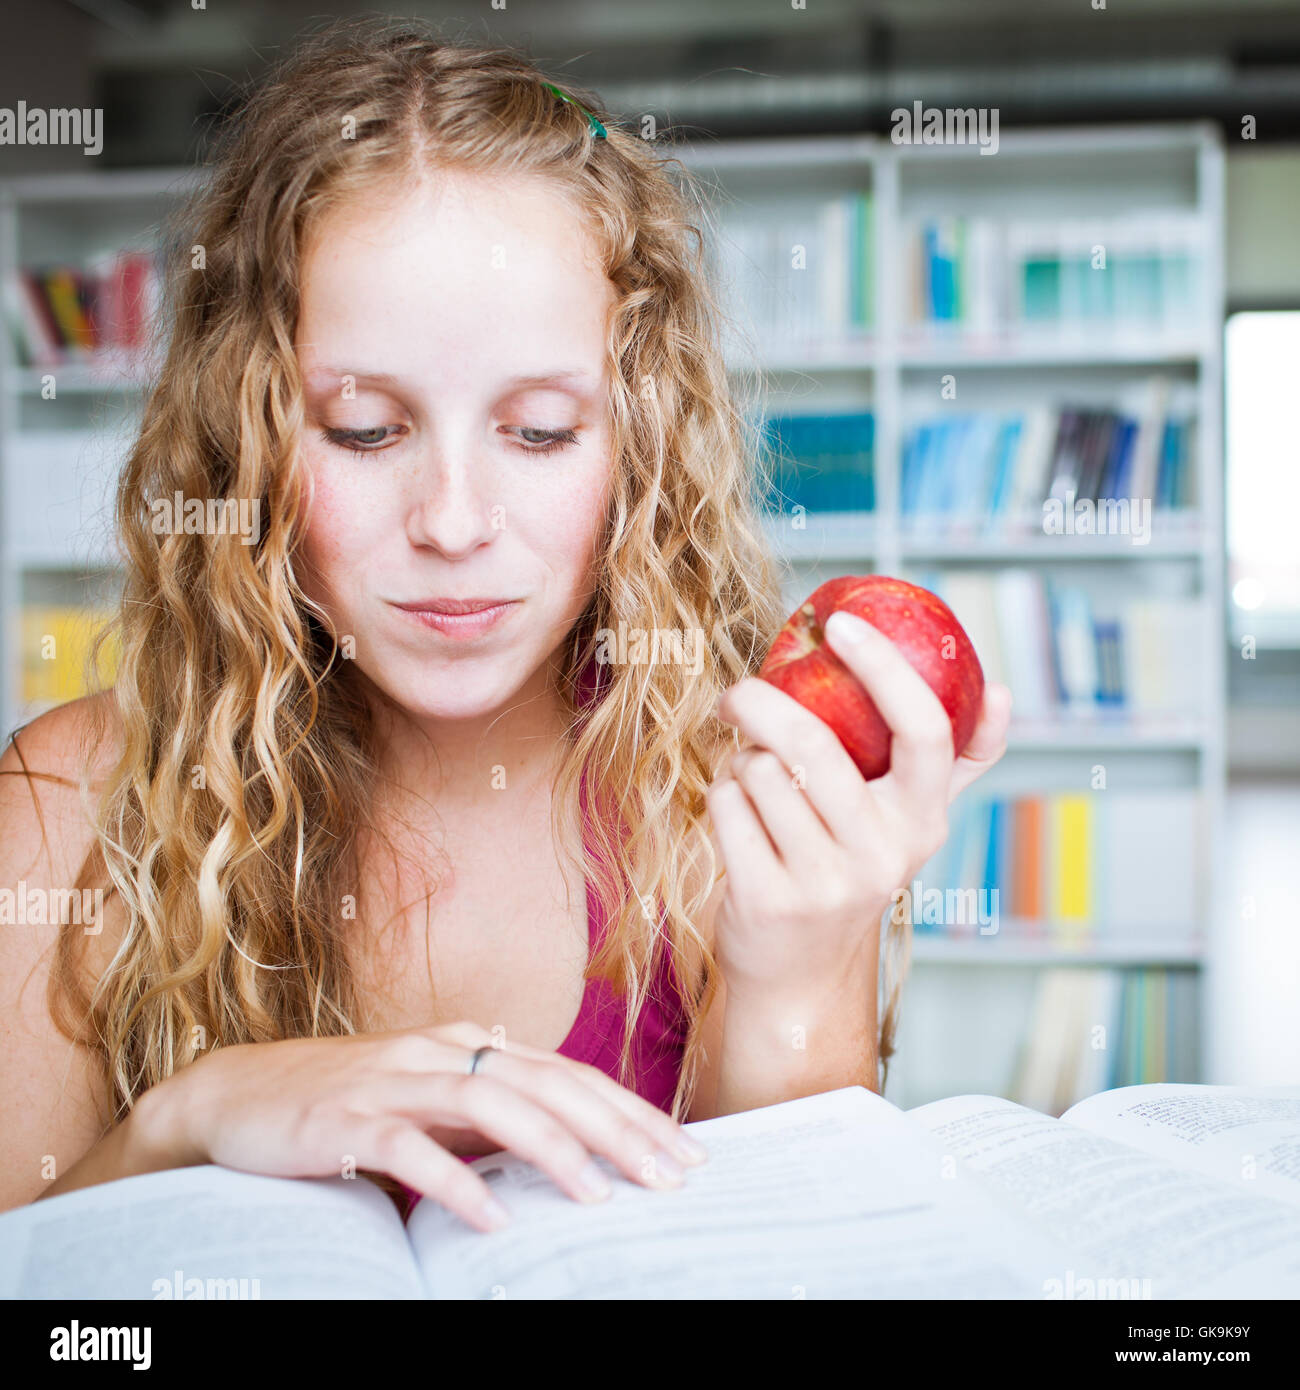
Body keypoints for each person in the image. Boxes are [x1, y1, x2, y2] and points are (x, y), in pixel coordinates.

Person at [0, 17, 1010, 1237]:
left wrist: (799, 965)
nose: (453, 521)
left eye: (537, 431)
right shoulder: (64, 807)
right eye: (366, 429)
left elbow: (784, 1262)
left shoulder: (722, 807)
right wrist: (190, 1116)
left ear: (634, 445)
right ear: (246, 436)